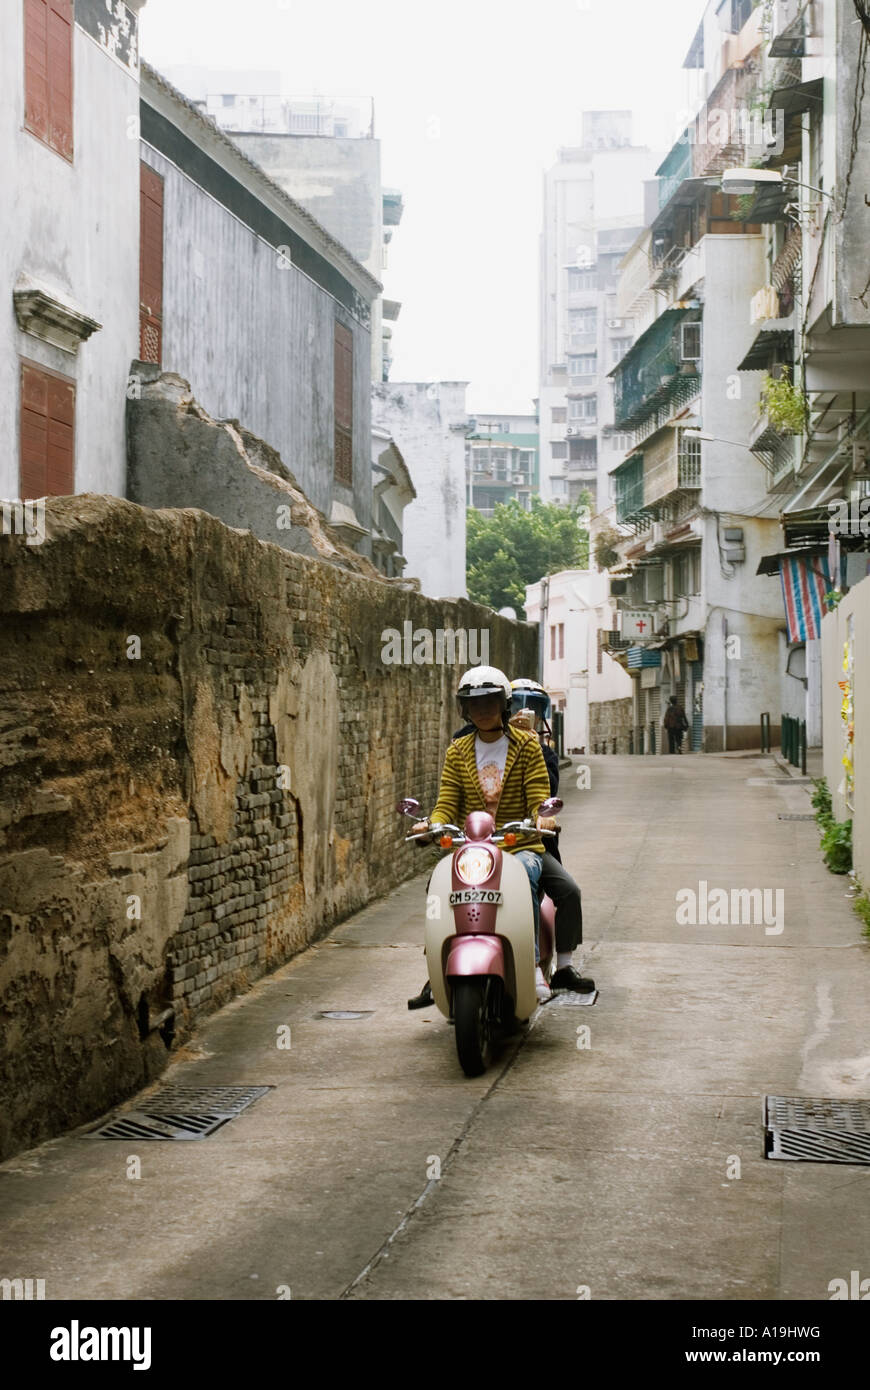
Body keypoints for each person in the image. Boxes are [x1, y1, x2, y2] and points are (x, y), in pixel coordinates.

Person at [407, 666, 593, 1010]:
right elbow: (447, 800)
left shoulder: (526, 745)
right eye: (474, 704)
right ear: (464, 708)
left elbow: (539, 793)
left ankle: (538, 968)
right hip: (471, 846)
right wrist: (430, 824)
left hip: (519, 844)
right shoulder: (458, 750)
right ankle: (437, 964)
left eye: (490, 702)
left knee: (551, 885)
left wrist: (542, 818)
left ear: (503, 704)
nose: (482, 710)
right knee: (438, 886)